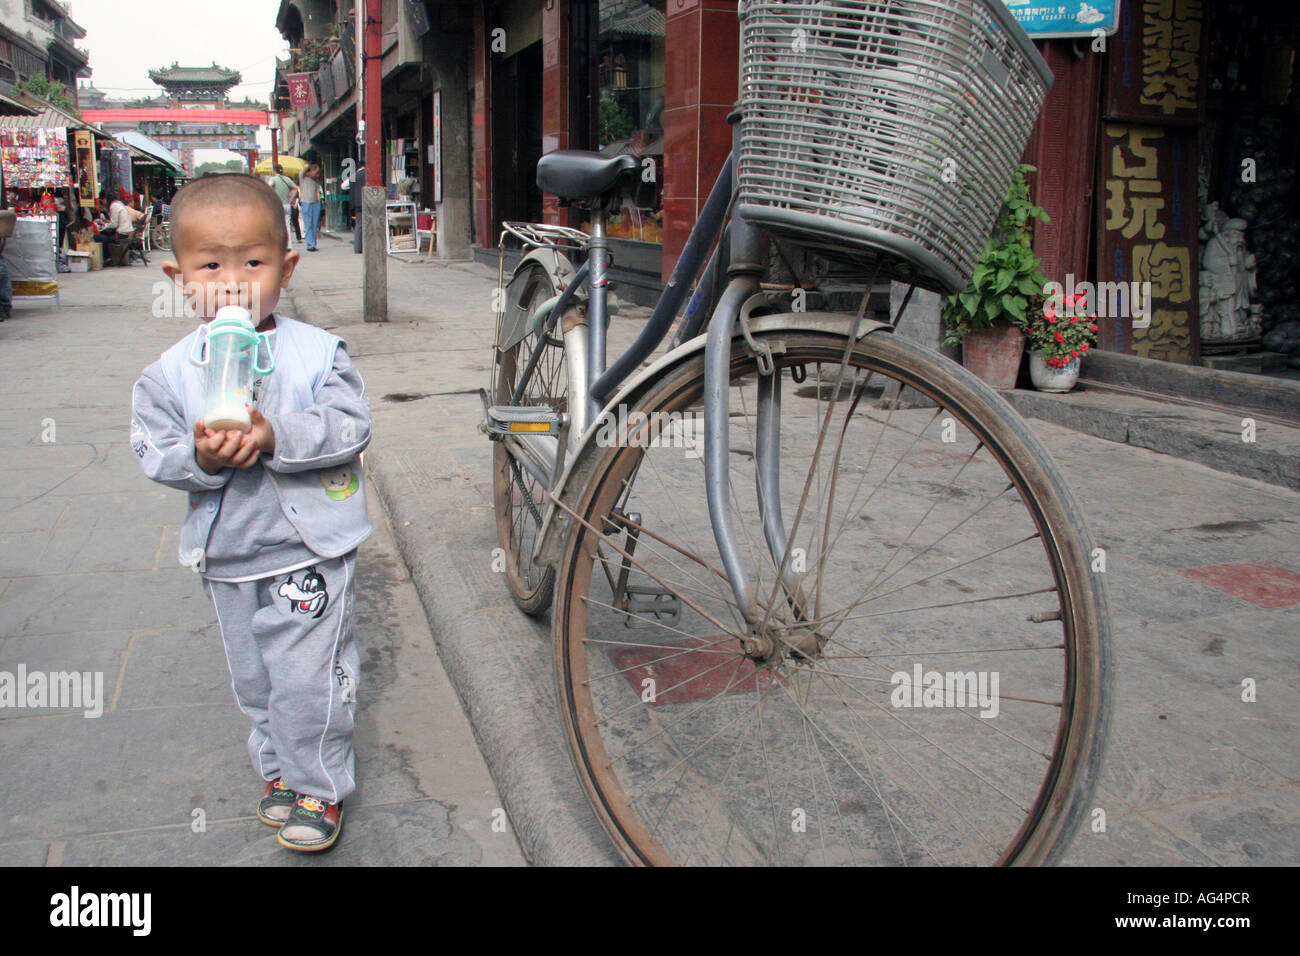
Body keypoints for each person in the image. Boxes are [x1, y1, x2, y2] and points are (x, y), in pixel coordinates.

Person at [130, 174, 370, 852]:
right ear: (181, 277)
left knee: (307, 677)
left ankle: (319, 785)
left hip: (310, 553)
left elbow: (350, 426)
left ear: (286, 268)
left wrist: (275, 435)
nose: (233, 282)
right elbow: (153, 448)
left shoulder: (318, 353)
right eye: (212, 265)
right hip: (230, 559)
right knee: (257, 680)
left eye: (253, 262)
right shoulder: (169, 374)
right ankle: (280, 774)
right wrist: (200, 459)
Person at [268, 164, 299, 251]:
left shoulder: (273, 179)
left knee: (278, 226)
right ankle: (289, 246)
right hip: (287, 205)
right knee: (287, 225)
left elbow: (268, 186)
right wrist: (291, 198)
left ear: (274, 171)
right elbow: (296, 188)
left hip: (277, 205)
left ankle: (280, 246)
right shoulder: (287, 179)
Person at [299, 162, 322, 251]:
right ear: (311, 170)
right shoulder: (303, 177)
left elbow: (317, 191)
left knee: (314, 224)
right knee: (308, 224)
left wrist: (319, 202)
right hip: (306, 202)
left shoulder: (315, 180)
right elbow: (303, 170)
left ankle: (313, 243)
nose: (317, 173)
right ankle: (310, 244)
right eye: (316, 171)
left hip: (315, 203)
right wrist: (308, 167)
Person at [348, 162, 365, 254]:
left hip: (357, 204)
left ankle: (358, 247)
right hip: (367, 202)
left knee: (359, 225)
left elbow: (345, 186)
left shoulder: (354, 175)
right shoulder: (367, 174)